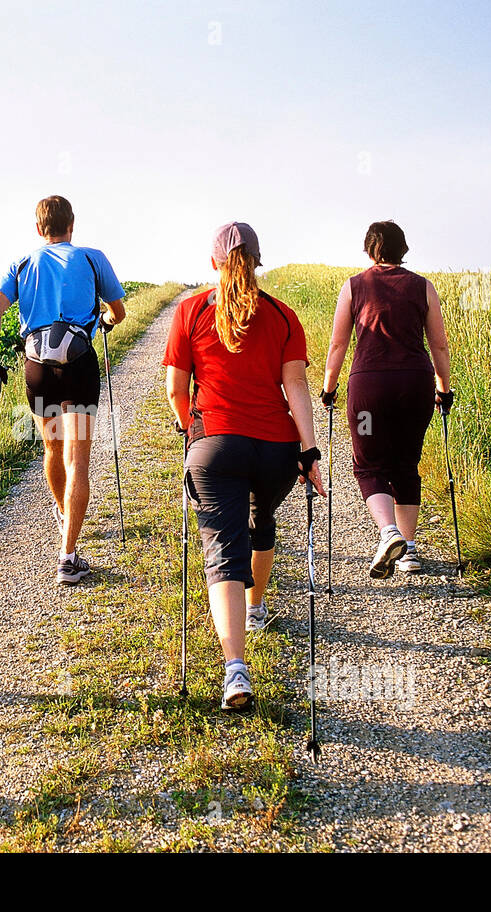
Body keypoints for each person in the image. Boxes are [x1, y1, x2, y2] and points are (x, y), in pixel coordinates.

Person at [164, 222, 325, 711]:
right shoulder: (282, 315)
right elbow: (296, 389)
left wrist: (187, 427)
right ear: (258, 260)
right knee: (262, 518)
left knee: (222, 551)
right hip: (276, 449)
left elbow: (175, 388)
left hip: (216, 445)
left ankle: (236, 669)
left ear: (214, 262)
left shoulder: (191, 311)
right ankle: (256, 608)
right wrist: (309, 451)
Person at [0, 195, 127, 584]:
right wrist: (105, 321)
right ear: (71, 225)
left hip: (37, 368)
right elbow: (118, 311)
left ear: (39, 229)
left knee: (51, 448)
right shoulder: (92, 258)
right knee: (78, 458)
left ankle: (64, 513)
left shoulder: (22, 264)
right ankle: (68, 555)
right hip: (78, 364)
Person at [319, 220, 453, 578]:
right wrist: (443, 388)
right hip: (415, 382)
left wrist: (329, 388)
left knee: (369, 465)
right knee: (407, 463)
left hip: (370, 386)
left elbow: (338, 344)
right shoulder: (423, 287)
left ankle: (388, 532)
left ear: (369, 250)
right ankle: (408, 551)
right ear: (403, 249)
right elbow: (438, 344)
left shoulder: (354, 287)